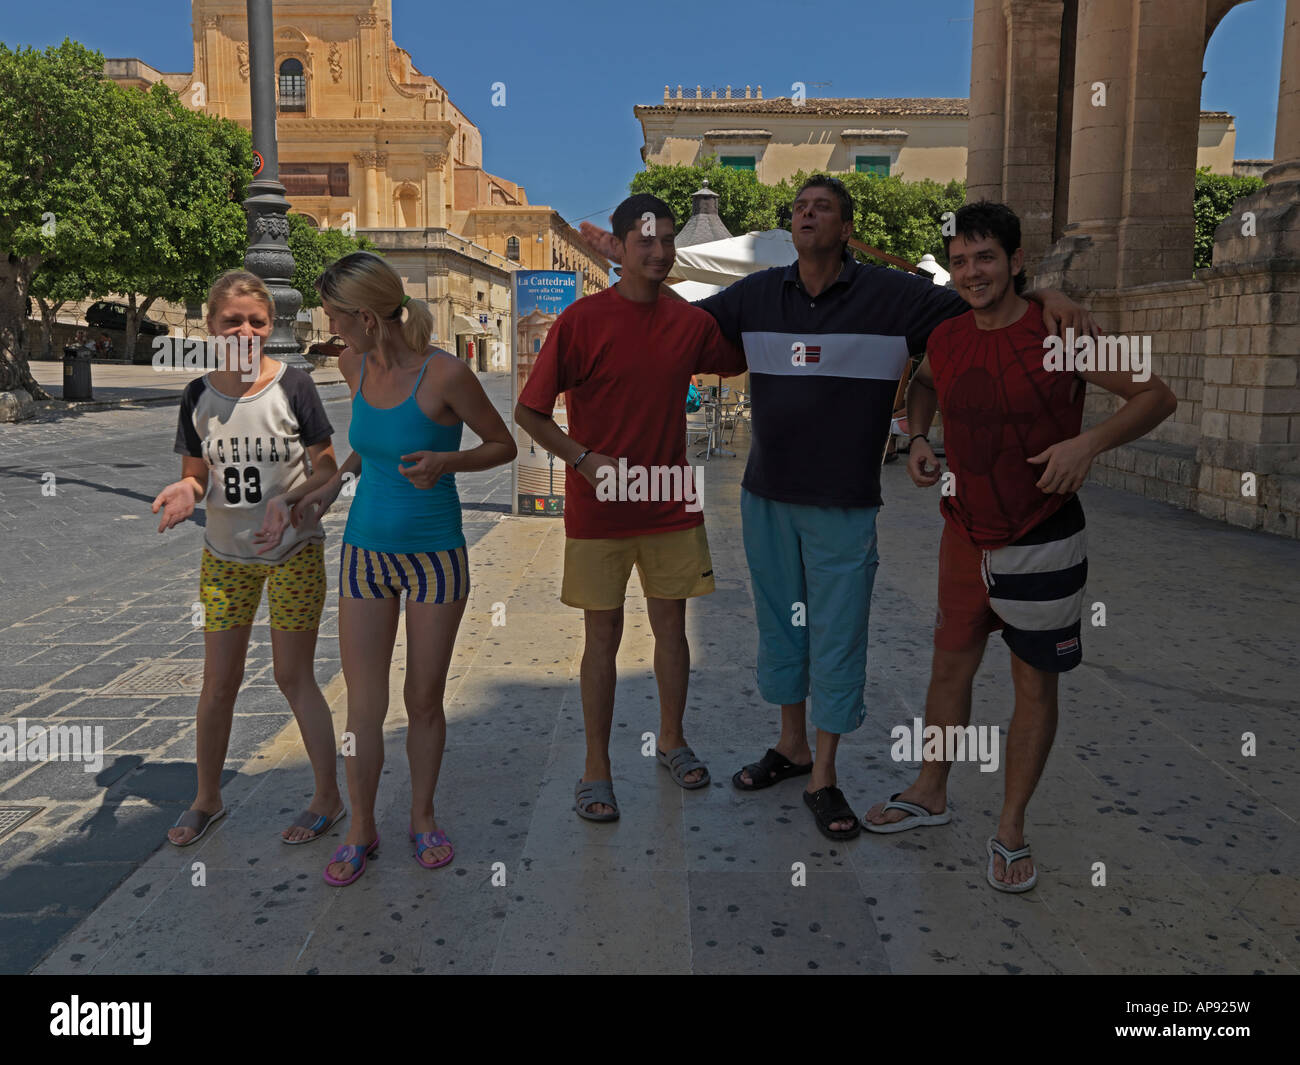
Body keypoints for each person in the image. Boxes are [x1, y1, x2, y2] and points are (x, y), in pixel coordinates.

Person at [582, 176, 1097, 840]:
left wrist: (1045, 296)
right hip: (766, 498)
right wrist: (630, 268)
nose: (805, 213)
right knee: (783, 630)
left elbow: (984, 304)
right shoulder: (759, 293)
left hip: (846, 502)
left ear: (847, 229)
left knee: (838, 634)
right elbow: (677, 324)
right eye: (798, 207)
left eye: (821, 207)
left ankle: (825, 773)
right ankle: (791, 745)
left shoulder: (897, 298)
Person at [861, 202, 1176, 892]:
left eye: (986, 258)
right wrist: (918, 436)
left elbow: (1156, 394)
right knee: (948, 672)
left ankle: (1010, 827)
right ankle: (930, 791)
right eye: (961, 259)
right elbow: (922, 385)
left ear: (1015, 261)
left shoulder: (1060, 329)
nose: (972, 272)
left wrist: (1088, 443)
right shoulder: (945, 336)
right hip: (962, 533)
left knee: (1033, 684)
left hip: (1044, 538)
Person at [515, 194, 746, 821]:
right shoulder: (581, 321)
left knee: (673, 630)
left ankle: (672, 738)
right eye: (645, 240)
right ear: (617, 248)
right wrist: (585, 460)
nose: (660, 251)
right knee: (602, 639)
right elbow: (528, 412)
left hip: (670, 502)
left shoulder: (689, 324)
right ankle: (597, 766)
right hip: (599, 510)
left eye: (667, 240)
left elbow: (744, 355)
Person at [293, 251, 516, 886]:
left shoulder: (445, 374)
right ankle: (362, 826)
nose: (328, 326)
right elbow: (368, 442)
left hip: (436, 557)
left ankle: (422, 816)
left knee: (422, 699)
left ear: (366, 316)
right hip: (365, 554)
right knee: (364, 702)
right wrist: (334, 482)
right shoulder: (352, 365)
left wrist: (449, 464)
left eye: (336, 316)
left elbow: (502, 444)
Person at [152, 270, 345, 848]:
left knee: (292, 676)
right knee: (219, 682)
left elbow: (328, 469)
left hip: (292, 553)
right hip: (225, 556)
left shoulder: (295, 386)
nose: (244, 330)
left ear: (270, 326)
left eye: (256, 322)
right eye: (231, 320)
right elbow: (195, 473)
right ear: (210, 325)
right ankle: (207, 798)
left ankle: (328, 798)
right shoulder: (197, 396)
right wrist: (187, 492)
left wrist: (290, 504)